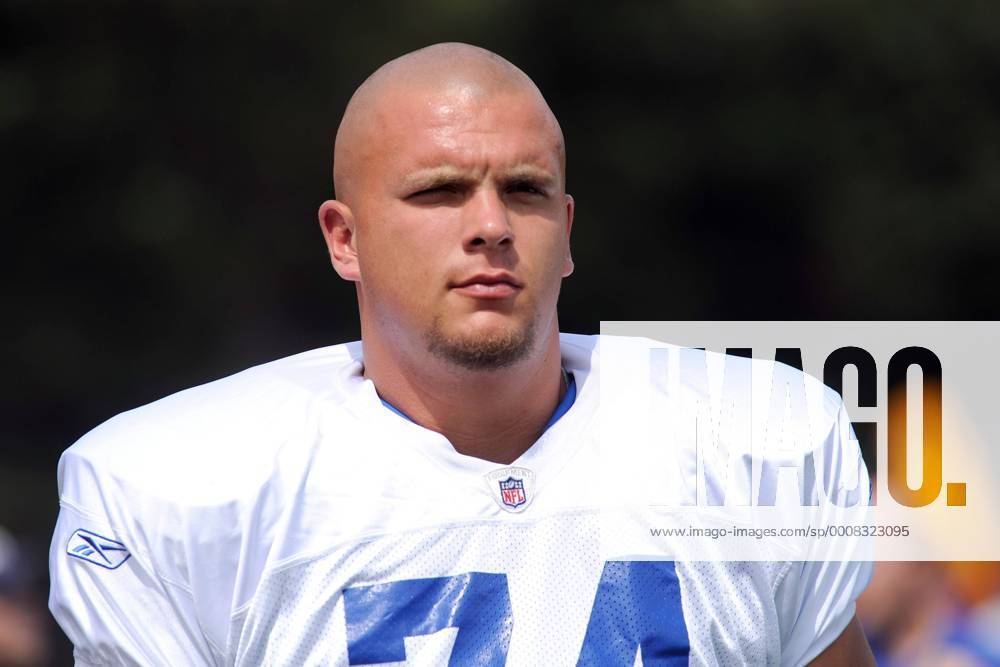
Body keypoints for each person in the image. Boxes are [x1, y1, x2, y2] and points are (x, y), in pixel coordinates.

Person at [49, 43, 875, 665]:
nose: (491, 224)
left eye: (525, 190)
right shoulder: (173, 487)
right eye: (439, 191)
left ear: (568, 233)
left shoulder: (761, 436)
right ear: (345, 238)